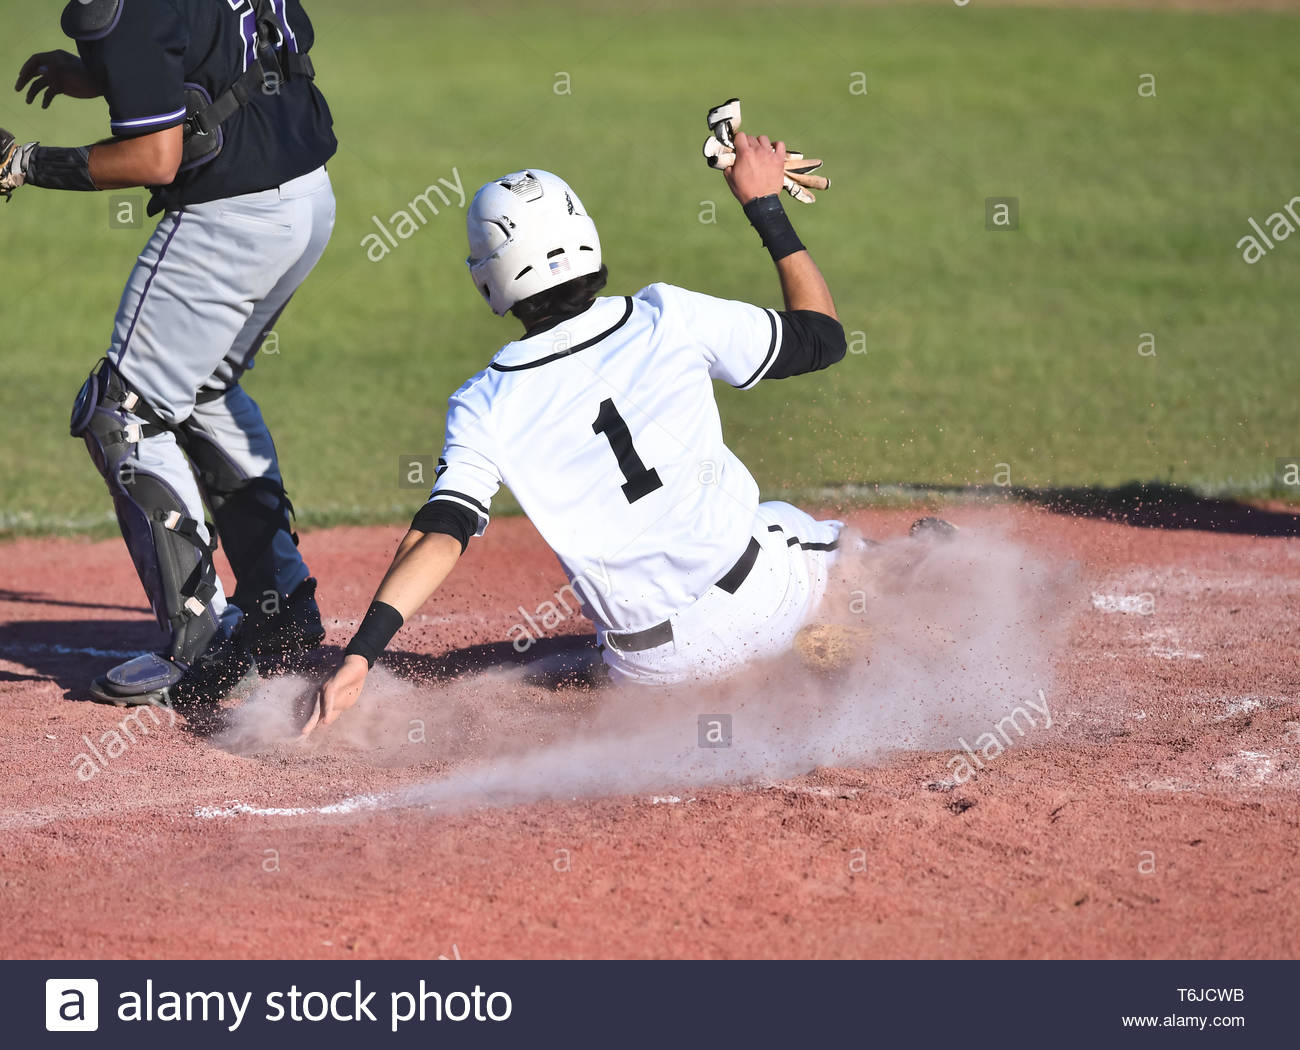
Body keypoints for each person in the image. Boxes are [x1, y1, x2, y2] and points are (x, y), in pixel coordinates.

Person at [302, 132, 850, 734]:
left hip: (653, 670)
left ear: (490, 277)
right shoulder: (667, 317)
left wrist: (359, 658)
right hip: (761, 602)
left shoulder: (484, 402)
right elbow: (822, 337)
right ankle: (922, 613)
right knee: (827, 542)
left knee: (619, 645)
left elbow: (439, 534)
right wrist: (763, 206)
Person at [0, 0, 337, 707]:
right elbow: (242, 47)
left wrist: (25, 163)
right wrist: (103, 73)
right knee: (206, 388)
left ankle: (203, 647)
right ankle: (281, 608)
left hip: (234, 215)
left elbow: (157, 158)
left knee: (121, 410)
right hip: (305, 196)